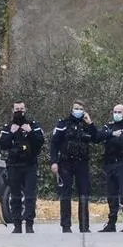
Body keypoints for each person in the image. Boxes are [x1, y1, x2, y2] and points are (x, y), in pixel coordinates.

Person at [50, 100, 99, 233]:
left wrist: (91, 123)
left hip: (82, 163)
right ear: (71, 109)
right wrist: (54, 162)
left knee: (84, 195)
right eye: (76, 108)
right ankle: (66, 226)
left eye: (80, 108)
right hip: (65, 163)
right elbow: (54, 143)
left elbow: (97, 138)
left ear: (84, 111)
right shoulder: (63, 124)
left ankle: (84, 226)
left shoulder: (86, 125)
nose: (78, 110)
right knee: (65, 195)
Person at [0, 101, 45, 234]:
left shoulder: (33, 125)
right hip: (14, 165)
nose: (19, 111)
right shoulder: (8, 127)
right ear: (12, 110)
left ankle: (29, 224)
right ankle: (17, 224)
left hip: (30, 165)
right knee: (15, 196)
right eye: (17, 109)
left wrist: (29, 132)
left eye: (22, 108)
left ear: (25, 109)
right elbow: (2, 145)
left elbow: (40, 141)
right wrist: (11, 134)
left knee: (30, 196)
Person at [98, 103, 123, 232]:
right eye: (115, 111)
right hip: (110, 164)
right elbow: (99, 137)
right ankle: (111, 223)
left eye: (120, 112)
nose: (117, 114)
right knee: (111, 195)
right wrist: (113, 134)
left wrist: (109, 137)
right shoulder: (108, 126)